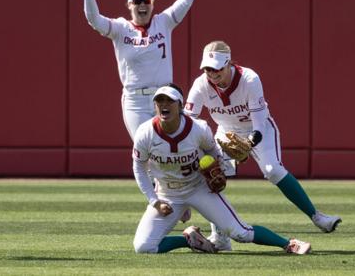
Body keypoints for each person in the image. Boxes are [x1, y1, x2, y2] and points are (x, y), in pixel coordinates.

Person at [187, 41, 340, 251]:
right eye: (207, 68)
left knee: (272, 170)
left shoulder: (249, 79)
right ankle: (220, 237)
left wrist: (248, 144)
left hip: (258, 130)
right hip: (225, 132)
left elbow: (258, 124)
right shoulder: (201, 84)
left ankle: (317, 217)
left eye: (217, 68)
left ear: (229, 63)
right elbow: (188, 121)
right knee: (212, 176)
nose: (212, 73)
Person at [130, 85, 311, 256]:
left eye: (169, 101)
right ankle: (190, 240)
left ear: (180, 105)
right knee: (144, 247)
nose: (164, 105)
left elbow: (212, 151)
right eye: (159, 101)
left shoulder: (198, 128)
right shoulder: (145, 132)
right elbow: (138, 166)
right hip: (168, 194)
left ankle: (289, 243)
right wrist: (154, 201)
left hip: (199, 188)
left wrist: (219, 170)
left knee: (241, 233)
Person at [80, 0, 199, 140]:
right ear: (129, 5)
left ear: (152, 4)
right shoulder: (121, 28)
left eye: (146, 0)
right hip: (136, 101)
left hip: (165, 96)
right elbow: (94, 20)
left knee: (175, 147)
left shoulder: (163, 22)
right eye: (137, 1)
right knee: (145, 149)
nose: (142, 5)